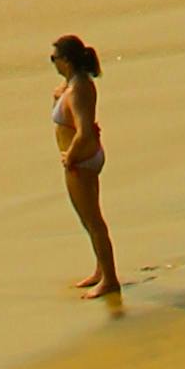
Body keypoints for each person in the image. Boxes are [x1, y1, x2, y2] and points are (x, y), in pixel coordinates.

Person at [51, 33, 121, 302]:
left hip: (81, 160)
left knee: (93, 222)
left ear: (66, 60)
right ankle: (100, 270)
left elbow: (82, 132)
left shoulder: (79, 88)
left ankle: (110, 280)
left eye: (54, 58)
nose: (53, 63)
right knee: (88, 220)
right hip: (84, 158)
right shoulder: (74, 86)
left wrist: (70, 156)